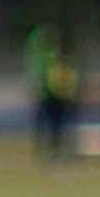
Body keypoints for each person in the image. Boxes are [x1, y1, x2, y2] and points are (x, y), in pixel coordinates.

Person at [24, 17, 76, 163]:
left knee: (56, 127)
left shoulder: (54, 56)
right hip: (48, 97)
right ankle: (43, 151)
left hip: (58, 97)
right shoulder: (43, 57)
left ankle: (55, 151)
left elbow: (66, 77)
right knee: (44, 125)